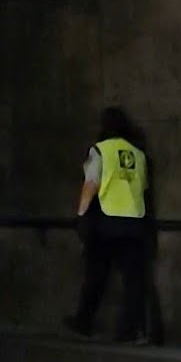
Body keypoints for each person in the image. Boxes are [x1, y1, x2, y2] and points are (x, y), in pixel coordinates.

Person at [67, 107, 150, 342]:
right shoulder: (138, 154)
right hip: (135, 221)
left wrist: (81, 214)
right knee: (133, 281)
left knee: (96, 275)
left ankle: (83, 321)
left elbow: (91, 184)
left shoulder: (100, 151)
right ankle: (129, 330)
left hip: (107, 220)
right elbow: (142, 188)